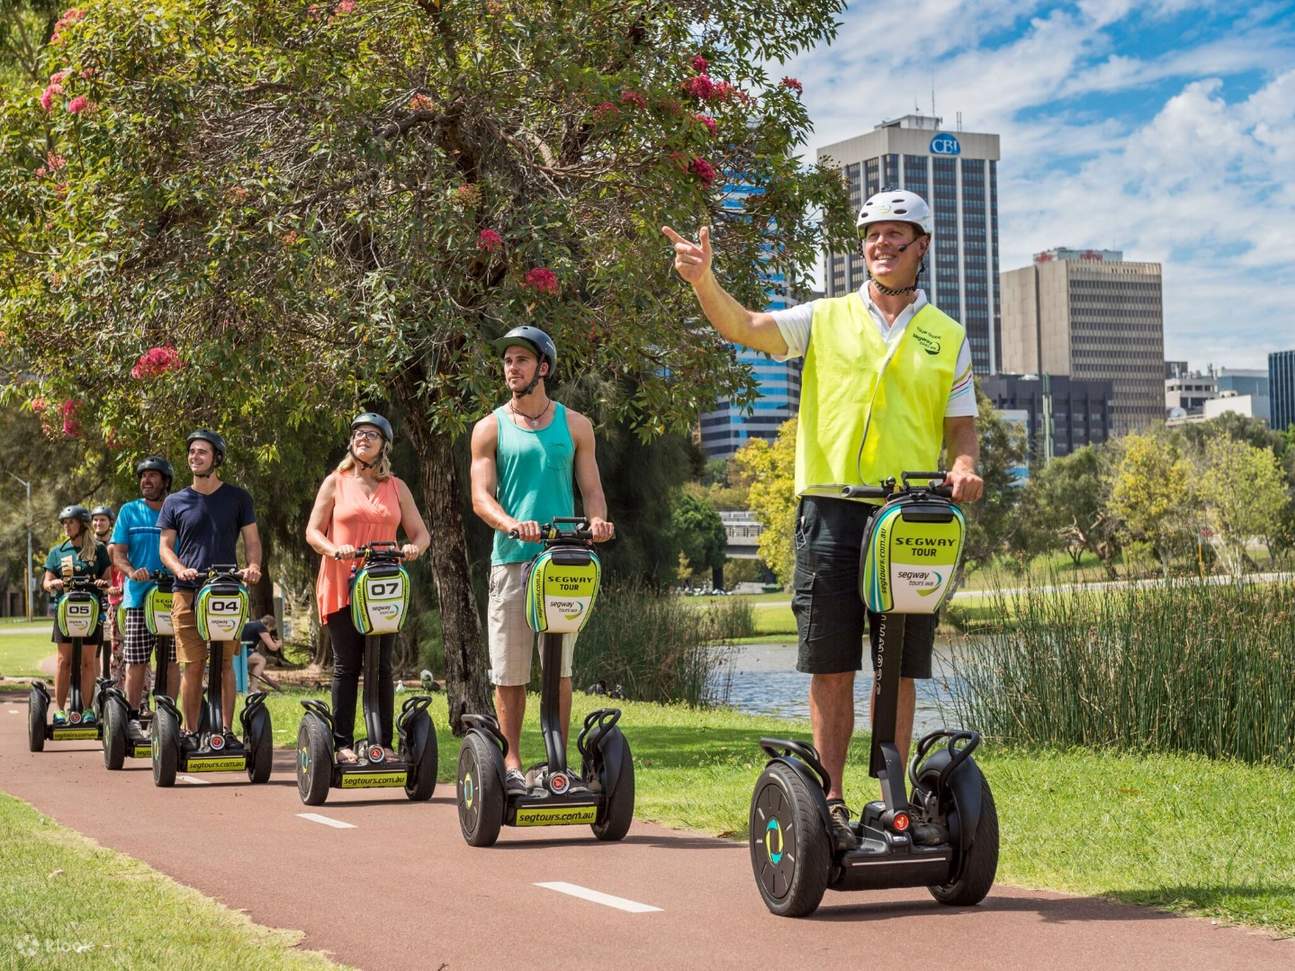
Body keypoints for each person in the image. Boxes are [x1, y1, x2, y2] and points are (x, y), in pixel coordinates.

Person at [664, 189, 984, 850]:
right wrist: (704, 280)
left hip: (910, 514)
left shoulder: (946, 336)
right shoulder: (827, 317)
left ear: (921, 245)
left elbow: (961, 429)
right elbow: (745, 327)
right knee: (831, 664)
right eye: (872, 235)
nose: (882, 244)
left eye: (897, 235)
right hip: (831, 509)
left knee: (899, 667)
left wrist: (963, 468)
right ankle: (831, 801)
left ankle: (892, 799)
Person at [469, 326, 615, 795]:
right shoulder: (490, 427)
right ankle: (510, 760)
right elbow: (480, 496)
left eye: (522, 360)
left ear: (544, 368)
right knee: (511, 669)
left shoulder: (575, 425)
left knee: (560, 666)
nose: (512, 368)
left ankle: (558, 759)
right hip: (513, 560)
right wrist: (510, 523)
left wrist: (597, 523)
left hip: (562, 562)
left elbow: (592, 490)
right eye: (508, 360)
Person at [306, 413, 430, 763]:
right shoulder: (336, 482)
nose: (364, 438)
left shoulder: (396, 487)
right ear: (351, 442)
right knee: (347, 664)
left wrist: (413, 548)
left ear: (384, 446)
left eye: (372, 435)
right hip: (342, 581)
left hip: (382, 585)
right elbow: (313, 531)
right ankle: (343, 743)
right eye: (359, 434)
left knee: (382, 666)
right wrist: (333, 549)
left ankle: (382, 743)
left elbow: (421, 534)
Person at [158, 430, 261, 746]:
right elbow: (165, 547)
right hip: (187, 592)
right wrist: (180, 569)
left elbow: (252, 541)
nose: (194, 457)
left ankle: (226, 732)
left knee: (226, 665)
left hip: (225, 593)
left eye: (201, 452)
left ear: (216, 458)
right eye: (191, 452)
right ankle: (189, 732)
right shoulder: (175, 501)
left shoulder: (238, 498)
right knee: (193, 664)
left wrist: (254, 566)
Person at [108, 457, 180, 741]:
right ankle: (133, 717)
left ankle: (170, 716)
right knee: (136, 660)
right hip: (138, 600)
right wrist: (130, 572)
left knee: (172, 659)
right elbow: (118, 553)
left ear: (165, 482)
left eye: (153, 476)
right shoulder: (129, 511)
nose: (146, 481)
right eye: (143, 476)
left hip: (171, 597)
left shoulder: (175, 510)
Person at [41, 505, 111, 725]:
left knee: (89, 662)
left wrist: (102, 583)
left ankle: (88, 709)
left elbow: (108, 579)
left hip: (90, 612)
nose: (66, 526)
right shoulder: (57, 551)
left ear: (81, 524)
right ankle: (60, 710)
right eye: (64, 522)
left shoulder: (98, 549)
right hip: (65, 612)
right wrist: (53, 583)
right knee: (64, 662)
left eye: (70, 522)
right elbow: (46, 582)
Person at [90, 505, 124, 687]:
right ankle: (95, 689)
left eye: (102, 519)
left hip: (114, 602)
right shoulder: (88, 546)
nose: (98, 523)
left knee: (114, 648)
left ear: (110, 523)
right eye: (95, 519)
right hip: (94, 601)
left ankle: (113, 687)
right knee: (93, 650)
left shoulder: (116, 544)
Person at [240, 614, 282, 692]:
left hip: (239, 650)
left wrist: (272, 683)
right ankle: (253, 689)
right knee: (261, 660)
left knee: (255, 663)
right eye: (270, 629)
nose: (269, 632)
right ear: (269, 625)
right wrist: (279, 644)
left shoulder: (252, 623)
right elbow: (272, 647)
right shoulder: (261, 627)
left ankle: (253, 687)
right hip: (243, 652)